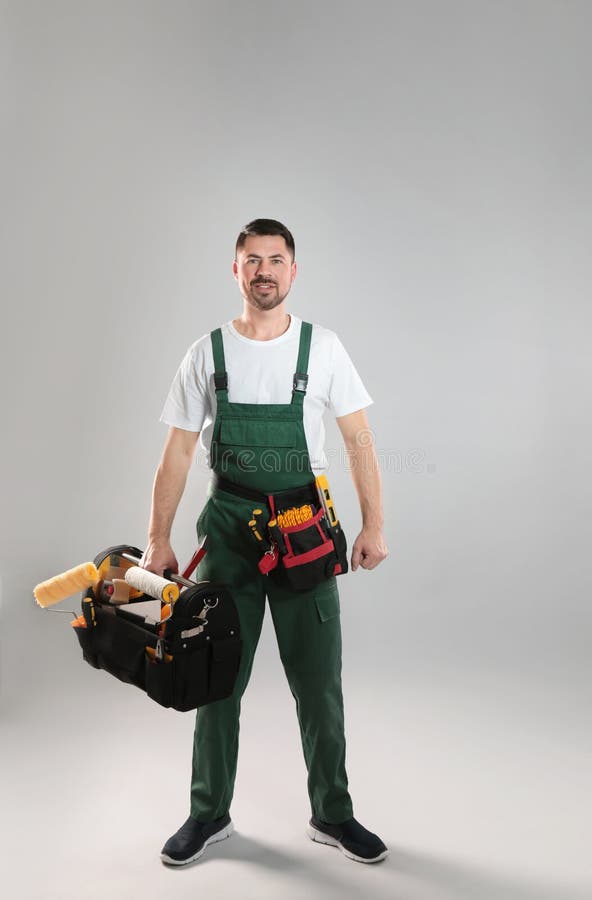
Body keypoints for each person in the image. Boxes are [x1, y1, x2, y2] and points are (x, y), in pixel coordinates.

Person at [142, 218, 389, 866]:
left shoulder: (323, 347)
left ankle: (333, 814)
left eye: (275, 259)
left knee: (318, 683)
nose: (264, 271)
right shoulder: (207, 353)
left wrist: (375, 524)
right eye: (252, 259)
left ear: (293, 270)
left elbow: (358, 439)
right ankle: (208, 813)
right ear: (236, 270)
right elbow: (176, 454)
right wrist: (156, 540)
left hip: (304, 533)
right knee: (215, 678)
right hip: (227, 533)